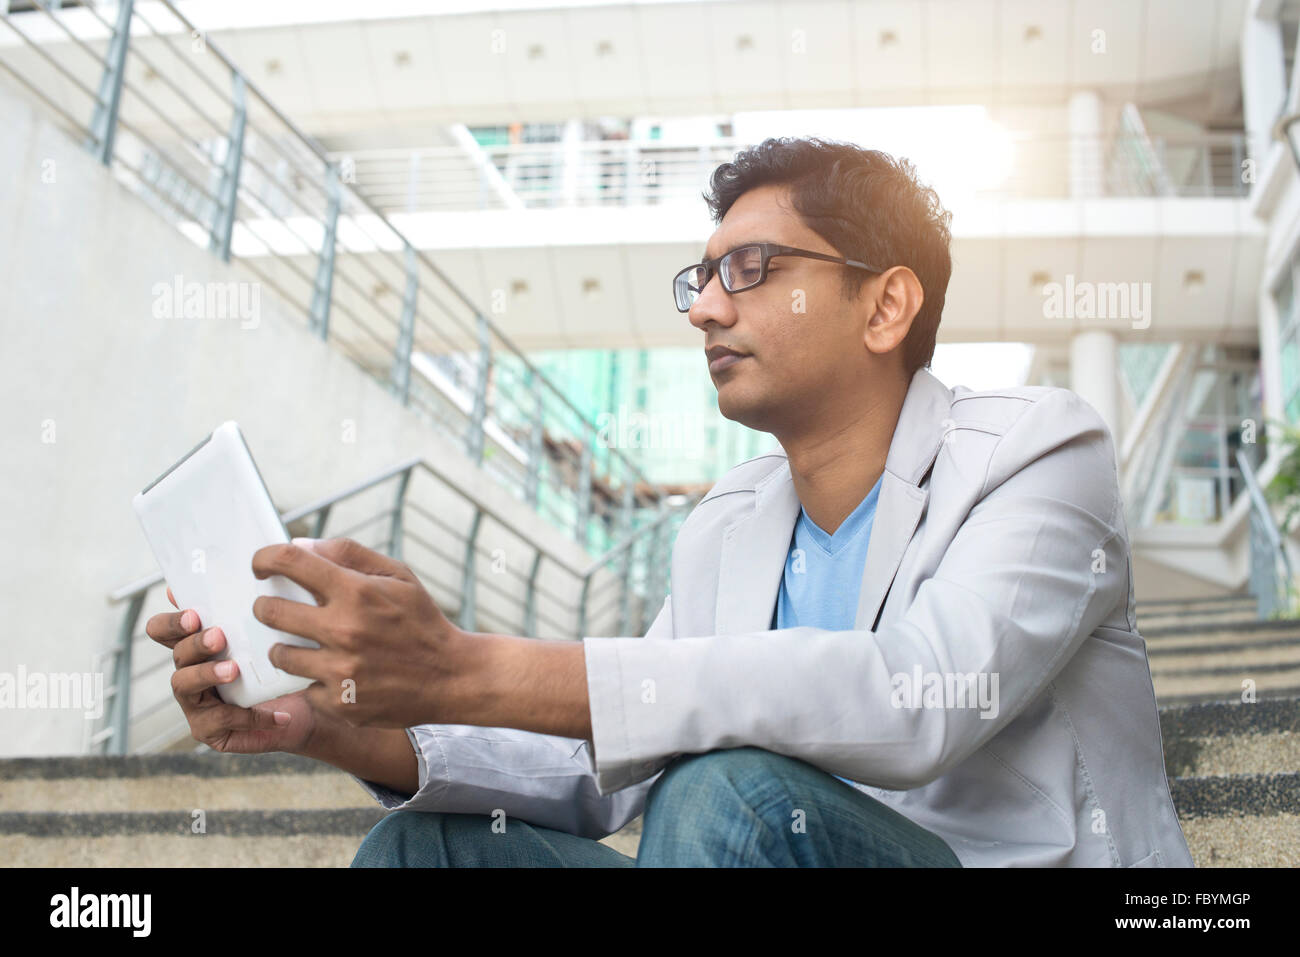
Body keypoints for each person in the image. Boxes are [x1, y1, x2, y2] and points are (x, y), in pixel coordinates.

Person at [147, 136, 1193, 867]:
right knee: (432, 851)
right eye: (697, 279)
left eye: (748, 269)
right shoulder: (727, 526)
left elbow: (921, 695)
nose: (703, 309)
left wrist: (470, 664)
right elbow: (600, 779)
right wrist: (325, 726)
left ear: (884, 305)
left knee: (726, 793)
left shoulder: (1040, 448)